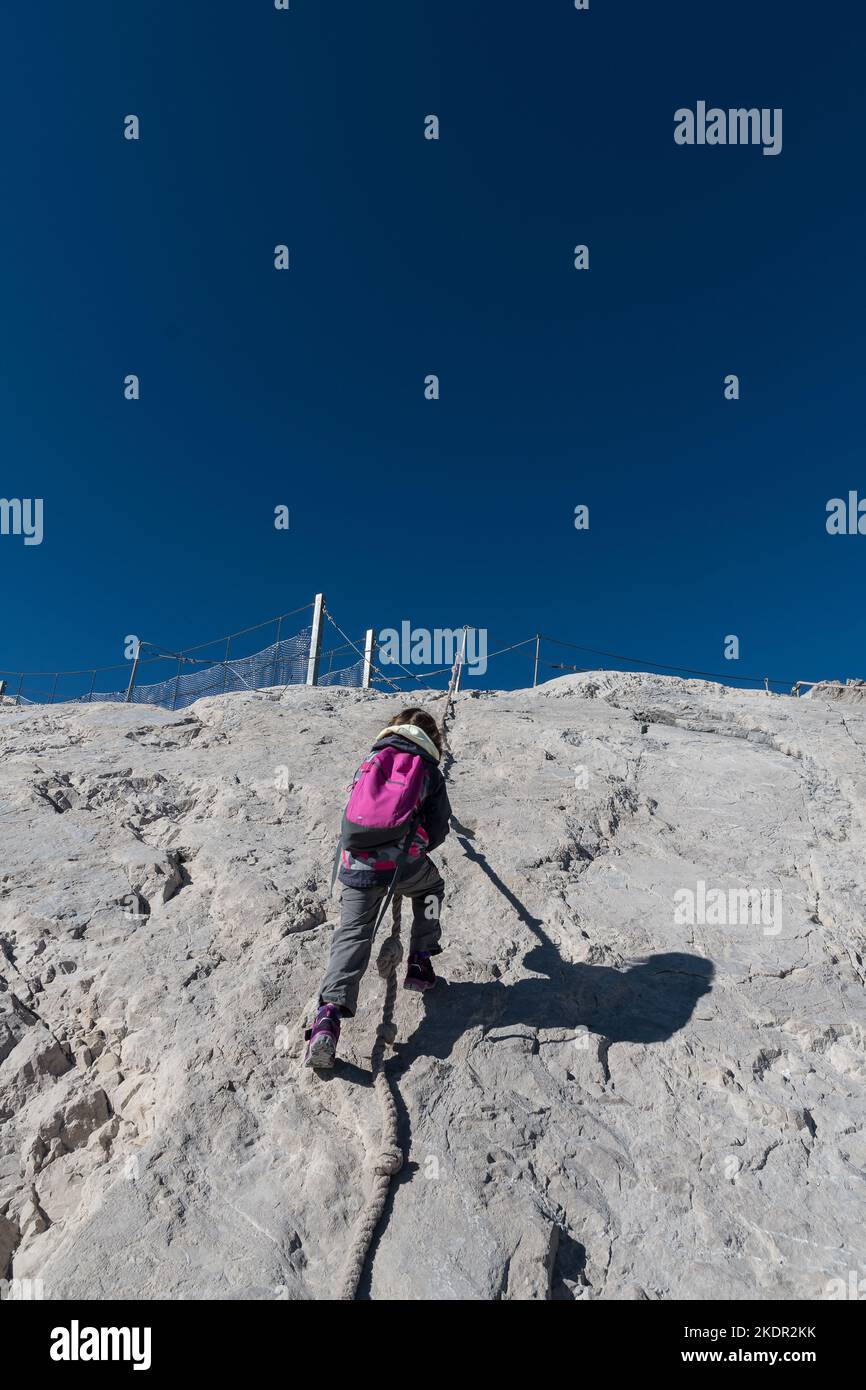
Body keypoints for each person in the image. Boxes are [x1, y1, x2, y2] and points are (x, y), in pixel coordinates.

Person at [305, 707, 452, 1069]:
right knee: (432, 890)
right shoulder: (428, 769)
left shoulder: (371, 759)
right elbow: (439, 827)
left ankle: (327, 1018)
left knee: (353, 933)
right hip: (404, 864)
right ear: (432, 739)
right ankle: (420, 959)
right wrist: (414, 846)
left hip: (357, 865)